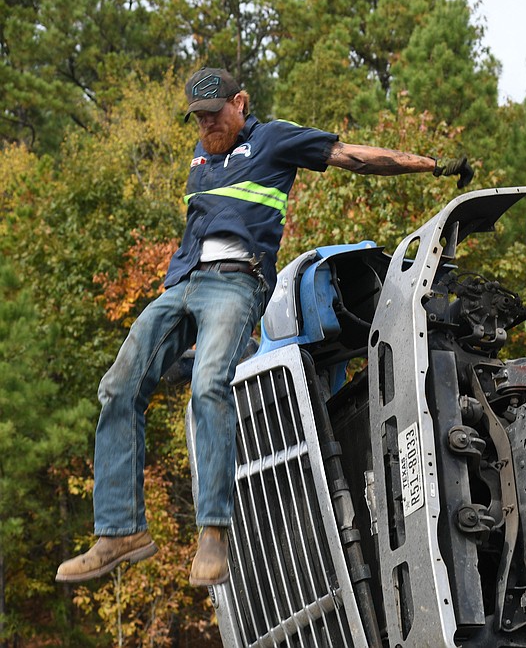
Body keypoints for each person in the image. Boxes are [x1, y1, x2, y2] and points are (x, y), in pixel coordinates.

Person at [56, 67, 475, 587]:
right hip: (181, 286)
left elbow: (353, 156)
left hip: (237, 283)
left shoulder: (273, 139)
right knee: (118, 385)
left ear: (240, 102)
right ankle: (120, 531)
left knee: (210, 384)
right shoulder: (201, 158)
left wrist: (431, 165)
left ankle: (214, 532)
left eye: (215, 114)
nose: (207, 125)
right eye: (198, 118)